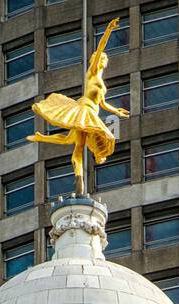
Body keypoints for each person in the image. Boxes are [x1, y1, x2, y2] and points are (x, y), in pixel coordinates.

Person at [26, 18, 129, 196]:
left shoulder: (102, 83)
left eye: (104, 59)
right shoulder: (92, 73)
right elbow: (101, 49)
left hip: (91, 112)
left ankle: (44, 140)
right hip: (84, 110)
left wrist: (116, 111)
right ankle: (84, 172)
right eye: (102, 58)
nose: (104, 60)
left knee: (73, 142)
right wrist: (108, 30)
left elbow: (102, 103)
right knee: (101, 137)